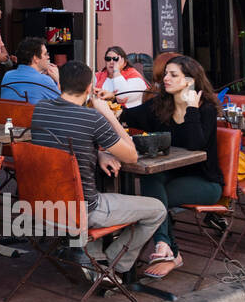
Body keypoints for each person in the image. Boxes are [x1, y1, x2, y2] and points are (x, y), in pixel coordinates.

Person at [29, 62, 166, 278]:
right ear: (88, 89)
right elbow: (131, 155)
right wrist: (107, 114)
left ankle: (94, 259)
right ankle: (111, 266)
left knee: (100, 190)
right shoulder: (92, 118)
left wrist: (98, 153)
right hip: (85, 209)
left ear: (59, 84)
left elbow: (59, 144)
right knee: (157, 209)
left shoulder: (40, 110)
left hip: (45, 203)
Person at [119, 55, 223, 278]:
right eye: (166, 73)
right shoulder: (160, 105)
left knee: (154, 198)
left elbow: (196, 146)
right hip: (169, 175)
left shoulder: (205, 109)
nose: (165, 78)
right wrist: (109, 104)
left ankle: (171, 252)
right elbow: (128, 116)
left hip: (205, 181)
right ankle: (165, 248)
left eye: (173, 75)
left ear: (190, 81)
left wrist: (192, 109)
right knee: (151, 179)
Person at [0, 37, 61, 104]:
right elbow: (63, 105)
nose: (48, 57)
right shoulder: (44, 80)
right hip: (32, 114)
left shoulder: (8, 75)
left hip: (9, 113)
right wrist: (57, 80)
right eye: (45, 54)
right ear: (35, 58)